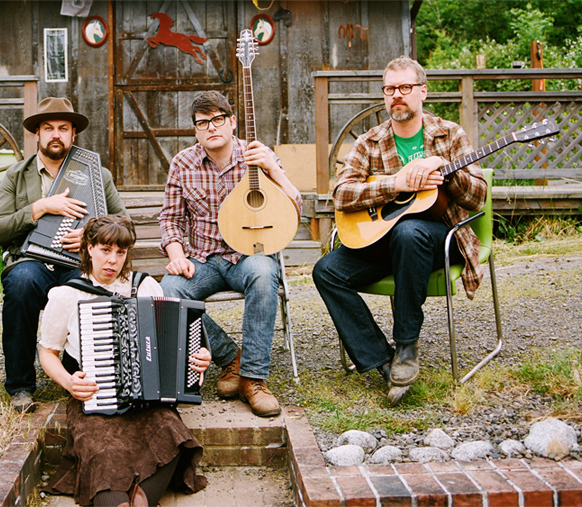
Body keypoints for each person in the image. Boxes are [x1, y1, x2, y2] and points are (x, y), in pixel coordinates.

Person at [312, 56, 487, 406]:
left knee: (410, 233)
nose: (397, 95)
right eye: (390, 89)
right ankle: (382, 360)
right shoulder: (369, 141)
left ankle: (406, 345)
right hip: (382, 241)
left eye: (405, 88)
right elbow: (340, 194)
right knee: (326, 271)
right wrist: (395, 184)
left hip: (441, 237)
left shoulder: (449, 134)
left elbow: (478, 198)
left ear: (423, 92)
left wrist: (448, 174)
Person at [39, 215, 210, 507]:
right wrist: (68, 382)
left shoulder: (144, 288)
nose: (113, 260)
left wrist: (198, 362)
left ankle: (140, 499)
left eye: (121, 252)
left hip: (148, 401)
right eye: (105, 250)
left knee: (172, 434)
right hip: (95, 397)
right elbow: (48, 352)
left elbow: (177, 351)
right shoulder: (66, 295)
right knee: (104, 453)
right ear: (88, 248)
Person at [158, 91, 301, 418]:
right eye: (202, 123)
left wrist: (274, 171)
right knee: (167, 292)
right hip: (202, 258)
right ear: (195, 130)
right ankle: (228, 357)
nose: (211, 127)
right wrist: (177, 253)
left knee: (265, 274)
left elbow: (296, 207)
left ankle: (253, 378)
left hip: (249, 254)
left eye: (218, 119)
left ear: (233, 121)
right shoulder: (184, 163)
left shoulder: (257, 154)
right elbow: (170, 218)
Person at [0, 97, 127, 413]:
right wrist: (38, 208)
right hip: (31, 262)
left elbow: (124, 222)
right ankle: (21, 386)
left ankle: (83, 376)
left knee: (89, 287)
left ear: (73, 134)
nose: (56, 134)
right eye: (48, 127)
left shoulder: (96, 174)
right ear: (36, 133)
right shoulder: (16, 175)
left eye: (63, 128)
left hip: (77, 263)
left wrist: (92, 233)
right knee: (21, 284)